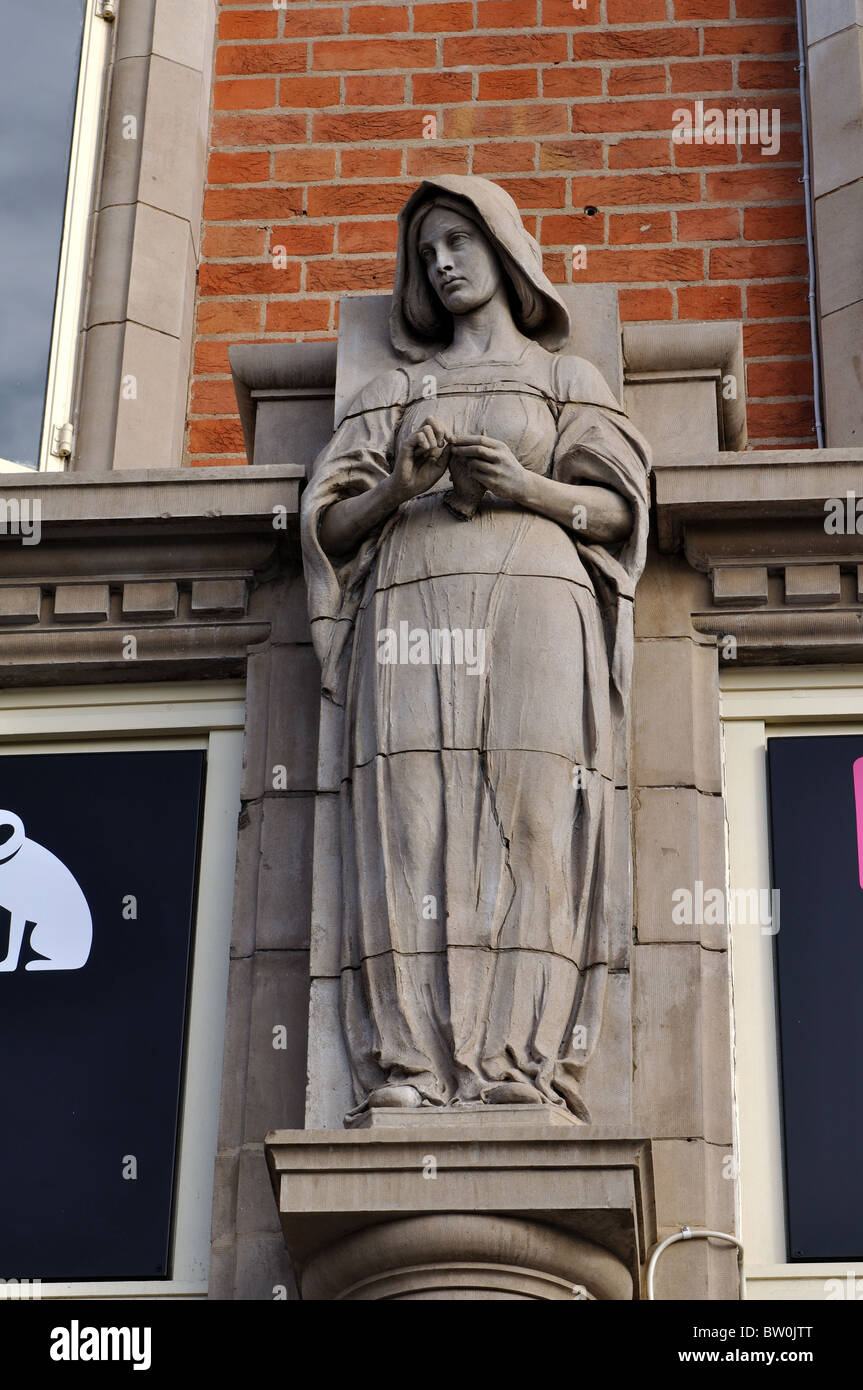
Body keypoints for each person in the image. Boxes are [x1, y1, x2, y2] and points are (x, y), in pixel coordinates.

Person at [301, 175, 650, 1122]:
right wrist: (395, 488)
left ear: (503, 248)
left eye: (457, 240)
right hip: (410, 602)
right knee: (408, 822)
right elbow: (329, 533)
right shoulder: (392, 390)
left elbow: (618, 513)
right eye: (426, 253)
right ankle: (409, 1067)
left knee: (534, 818)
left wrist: (526, 487)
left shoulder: (564, 381)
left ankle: (516, 1064)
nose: (443, 263)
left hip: (536, 599)